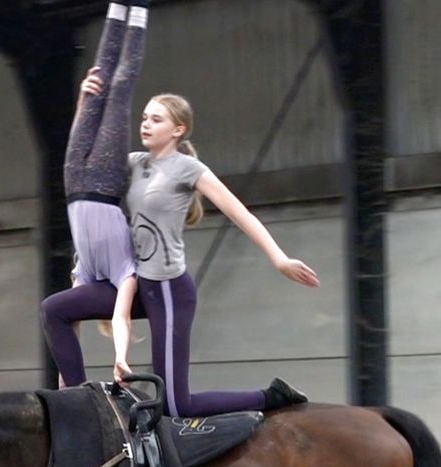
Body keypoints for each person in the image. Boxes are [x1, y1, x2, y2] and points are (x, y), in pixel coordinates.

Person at [118, 92, 321, 417]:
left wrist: (279, 258)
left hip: (169, 290)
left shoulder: (187, 169)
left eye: (156, 120)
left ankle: (269, 397)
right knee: (57, 309)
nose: (146, 125)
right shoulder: (133, 162)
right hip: (138, 285)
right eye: (144, 118)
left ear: (178, 130)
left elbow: (239, 213)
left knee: (175, 404)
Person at [41, 0, 149, 388]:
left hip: (73, 179)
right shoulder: (126, 274)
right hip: (103, 183)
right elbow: (121, 318)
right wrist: (121, 358)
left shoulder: (83, 274)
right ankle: (139, 11)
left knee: (95, 83)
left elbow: (66, 324)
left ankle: (117, 6)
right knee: (118, 89)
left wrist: (63, 387)